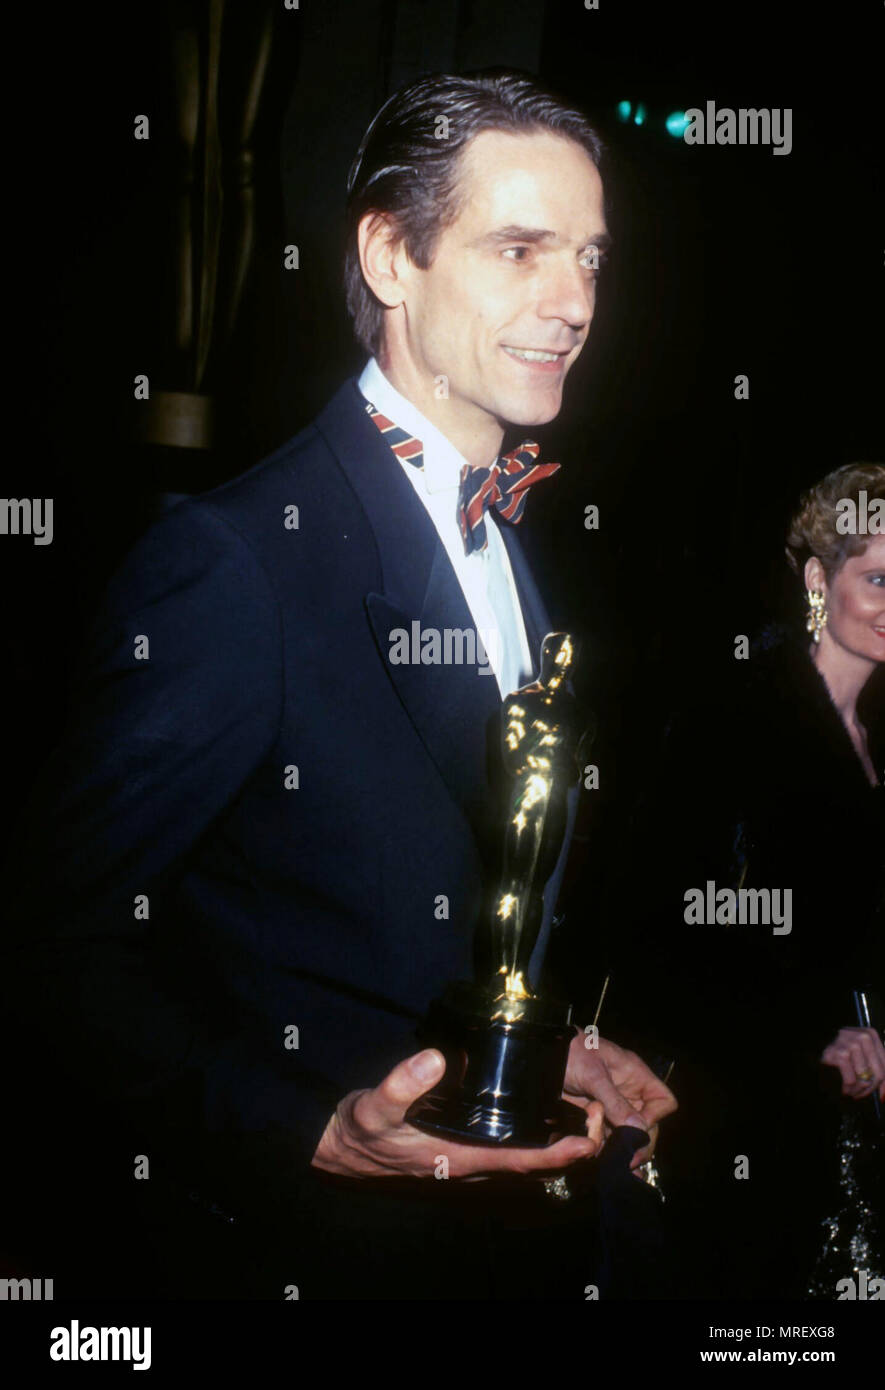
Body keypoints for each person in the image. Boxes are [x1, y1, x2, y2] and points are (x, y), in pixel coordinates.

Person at [1, 70, 675, 1301]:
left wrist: (545, 1056)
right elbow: (58, 943)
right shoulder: (234, 562)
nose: (574, 301)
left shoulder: (520, 551)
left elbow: (426, 912)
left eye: (589, 255)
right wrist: (308, 1125)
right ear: (389, 256)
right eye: (519, 248)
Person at [598, 462, 885, 1299]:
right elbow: (650, 926)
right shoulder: (736, 714)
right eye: (875, 578)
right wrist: (809, 1039)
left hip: (849, 1138)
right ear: (815, 579)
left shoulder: (872, 736)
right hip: (745, 1136)